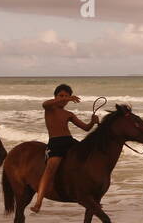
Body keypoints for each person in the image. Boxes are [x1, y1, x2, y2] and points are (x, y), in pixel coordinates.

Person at [30, 83, 99, 213]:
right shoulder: (49, 108)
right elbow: (45, 103)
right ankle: (38, 202)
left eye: (66, 96)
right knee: (50, 168)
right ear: (55, 96)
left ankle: (90, 196)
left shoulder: (69, 114)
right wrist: (66, 98)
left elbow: (86, 128)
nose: (64, 98)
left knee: (87, 161)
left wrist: (92, 122)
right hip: (55, 143)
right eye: (61, 95)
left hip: (69, 141)